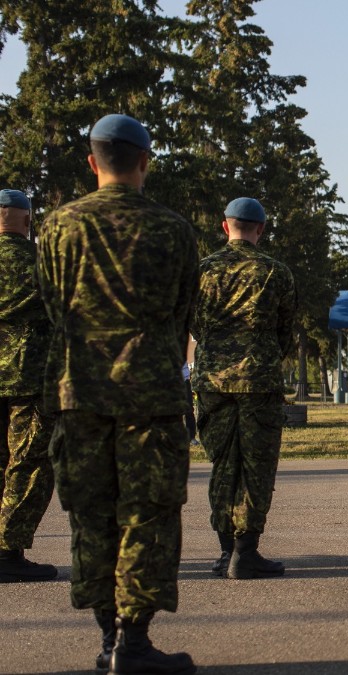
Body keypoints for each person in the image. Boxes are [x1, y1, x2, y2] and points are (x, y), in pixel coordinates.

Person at [38, 114, 198, 674]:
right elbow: (182, 310)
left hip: (78, 390)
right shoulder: (173, 229)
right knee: (147, 515)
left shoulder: (58, 227)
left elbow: (54, 306)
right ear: (144, 162)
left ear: (92, 161)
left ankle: (109, 637)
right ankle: (133, 641)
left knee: (92, 515)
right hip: (149, 395)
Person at [191, 197, 297, 580]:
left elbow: (194, 324)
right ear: (261, 229)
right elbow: (285, 329)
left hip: (213, 379)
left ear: (225, 226)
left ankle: (224, 550)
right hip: (259, 379)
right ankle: (245, 550)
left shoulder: (201, 270)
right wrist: (262, 354)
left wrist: (217, 350)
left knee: (223, 463)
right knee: (256, 464)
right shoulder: (275, 272)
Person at [0, 188, 56, 583]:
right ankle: (8, 551)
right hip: (29, 378)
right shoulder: (44, 265)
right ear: (27, 219)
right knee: (28, 464)